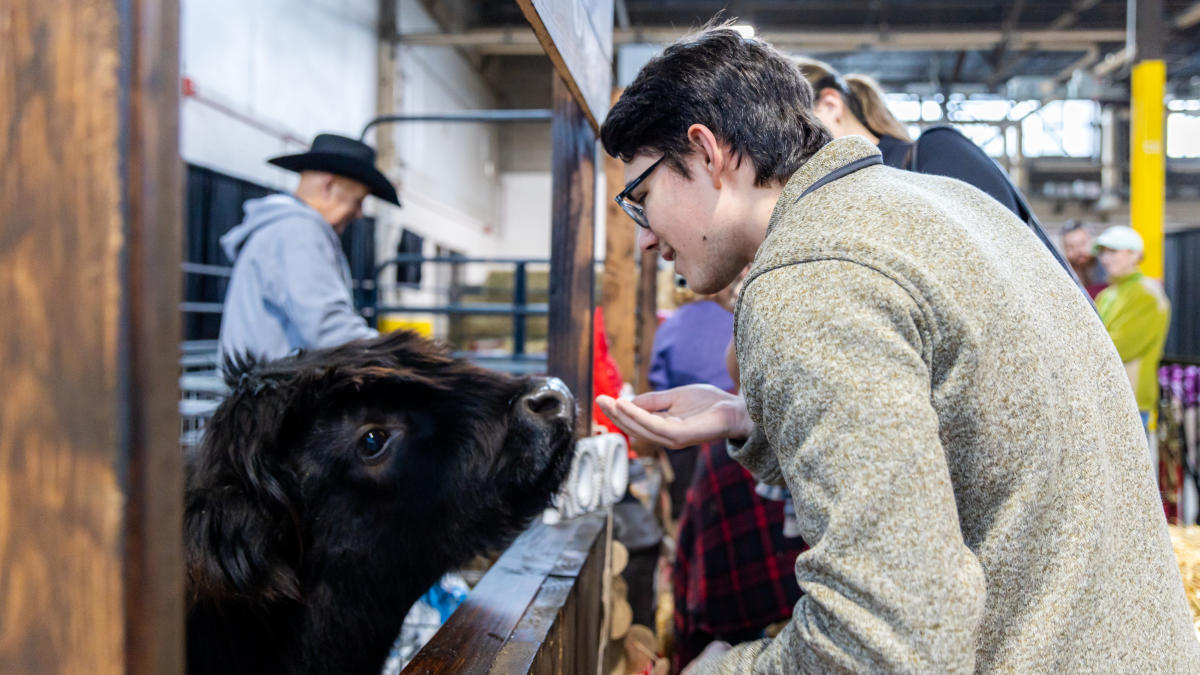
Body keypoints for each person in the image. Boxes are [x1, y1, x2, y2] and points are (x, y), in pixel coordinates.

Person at [596, 25, 1198, 673]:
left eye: (641, 197)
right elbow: (971, 437)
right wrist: (751, 414)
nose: (649, 240)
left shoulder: (809, 273)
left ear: (707, 152)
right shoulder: (945, 204)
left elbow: (886, 636)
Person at [217, 133, 400, 365]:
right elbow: (330, 330)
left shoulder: (282, 228)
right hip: (276, 395)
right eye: (358, 200)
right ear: (328, 186)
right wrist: (402, 359)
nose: (359, 213)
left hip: (263, 387)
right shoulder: (299, 232)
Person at [1094, 225, 1171, 433]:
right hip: (1104, 400)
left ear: (1135, 255)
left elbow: (1119, 347)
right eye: (1103, 252)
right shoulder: (1107, 294)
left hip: (1131, 401)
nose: (1105, 258)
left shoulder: (1147, 294)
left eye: (1113, 251)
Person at [1062, 220, 1109, 298]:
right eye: (1071, 247)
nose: (1078, 251)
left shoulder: (1109, 271)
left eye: (1082, 243)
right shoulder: (1063, 278)